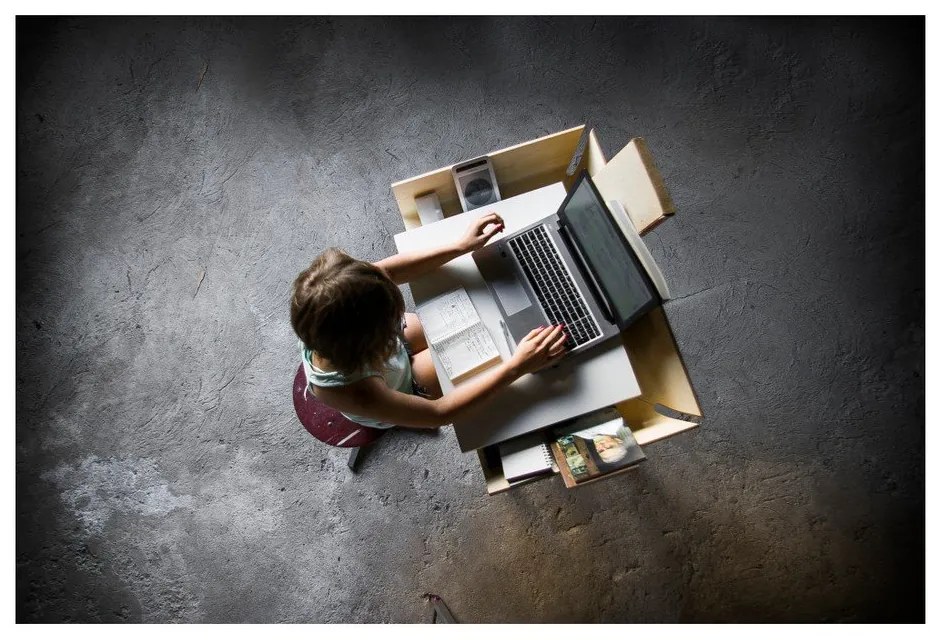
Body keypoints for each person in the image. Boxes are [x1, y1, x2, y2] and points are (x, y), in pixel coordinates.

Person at [290, 212, 568, 430]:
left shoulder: (339, 300)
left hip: (384, 361)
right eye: (392, 326)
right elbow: (439, 414)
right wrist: (516, 367)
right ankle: (406, 413)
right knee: (474, 366)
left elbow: (386, 270)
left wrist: (459, 247)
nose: (399, 323)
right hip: (396, 386)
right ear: (373, 346)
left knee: (457, 329)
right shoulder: (357, 394)